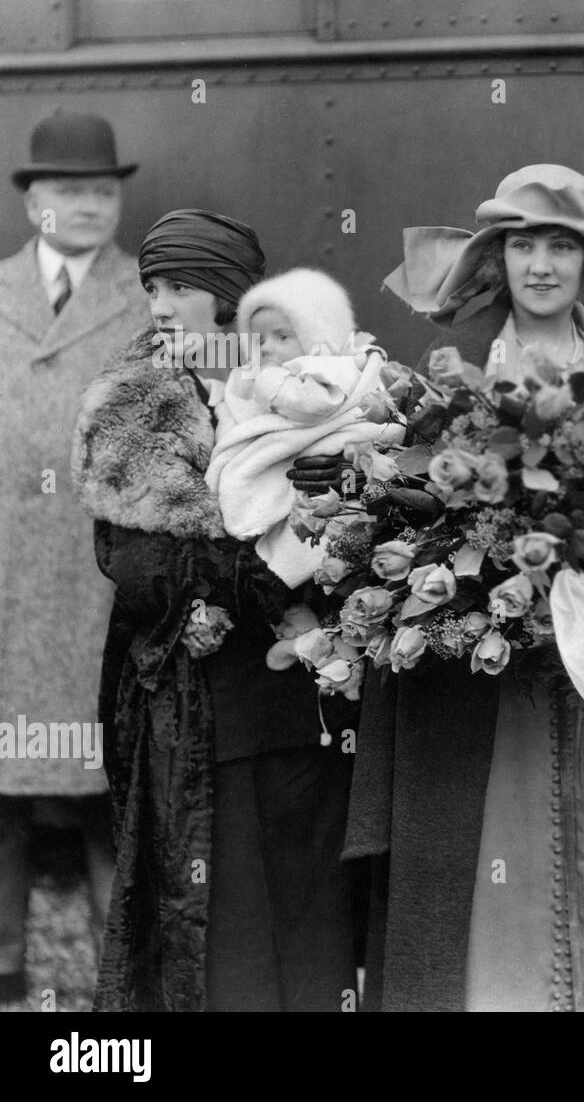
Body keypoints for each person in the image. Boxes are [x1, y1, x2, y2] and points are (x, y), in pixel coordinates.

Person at [342, 163, 584, 1011]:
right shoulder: (461, 367)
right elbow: (423, 502)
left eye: (562, 245)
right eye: (524, 245)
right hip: (493, 665)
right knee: (503, 838)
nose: (542, 265)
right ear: (500, 256)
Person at [70, 209, 357, 1011]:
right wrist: (259, 577)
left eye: (183, 286)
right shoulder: (133, 402)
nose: (162, 304)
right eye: (153, 286)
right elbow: (138, 562)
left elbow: (343, 520)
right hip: (200, 712)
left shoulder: (300, 380)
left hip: (301, 708)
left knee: (311, 913)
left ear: (229, 294)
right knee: (221, 922)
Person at [0, 109, 150, 1005]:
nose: (88, 204)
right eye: (68, 190)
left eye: (101, 189)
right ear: (34, 202)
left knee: (109, 795)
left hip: (98, 580)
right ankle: (7, 979)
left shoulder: (147, 299)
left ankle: (117, 993)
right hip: (7, 588)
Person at [206, 268, 400, 590]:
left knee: (309, 538)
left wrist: (267, 382)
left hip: (334, 474)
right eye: (259, 340)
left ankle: (283, 577)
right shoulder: (251, 379)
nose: (266, 348)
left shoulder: (331, 370)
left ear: (317, 337)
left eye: (282, 336)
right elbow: (241, 424)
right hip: (294, 482)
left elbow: (313, 407)